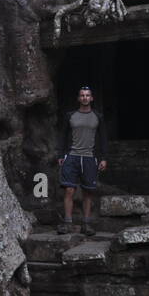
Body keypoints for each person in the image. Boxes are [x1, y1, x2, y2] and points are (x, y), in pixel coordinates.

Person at [56, 86, 107, 236]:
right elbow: (62, 136)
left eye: (87, 95)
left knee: (87, 192)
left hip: (90, 158)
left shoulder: (98, 117)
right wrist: (60, 155)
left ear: (91, 98)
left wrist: (104, 158)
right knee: (69, 190)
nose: (85, 97)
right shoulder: (70, 116)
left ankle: (86, 224)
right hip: (71, 157)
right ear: (79, 98)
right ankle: (67, 224)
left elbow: (103, 138)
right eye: (82, 95)